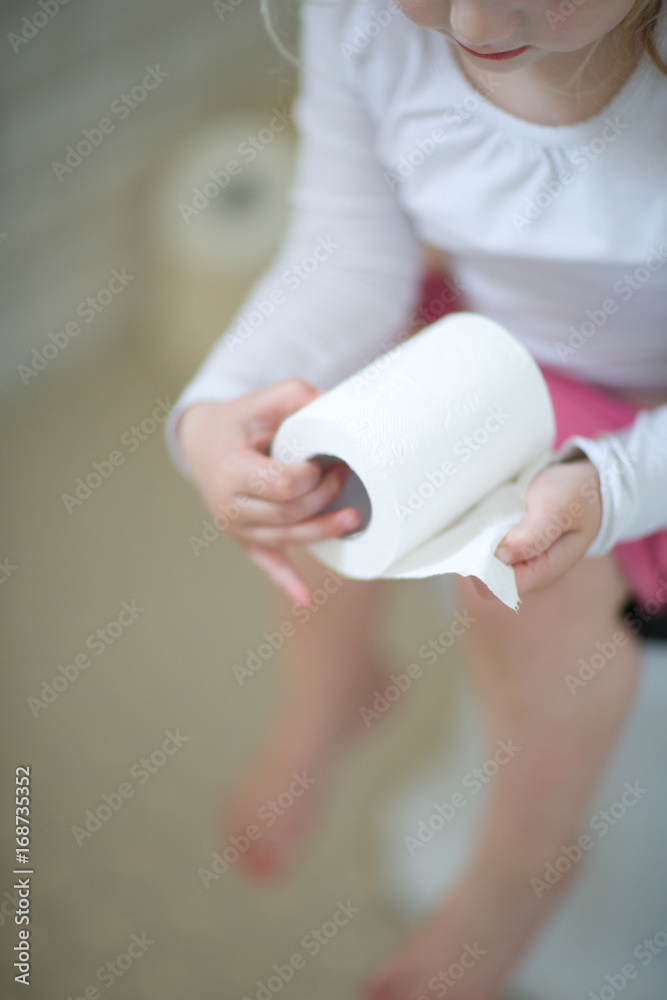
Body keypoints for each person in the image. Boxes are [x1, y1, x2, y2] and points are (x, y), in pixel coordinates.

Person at [167, 1, 667, 996]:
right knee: (314, 458)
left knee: (521, 581)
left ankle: (522, 863)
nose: (472, 20)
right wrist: (216, 412)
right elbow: (345, 254)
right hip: (491, 350)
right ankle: (331, 691)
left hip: (647, 424)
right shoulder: (365, 18)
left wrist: (609, 487)